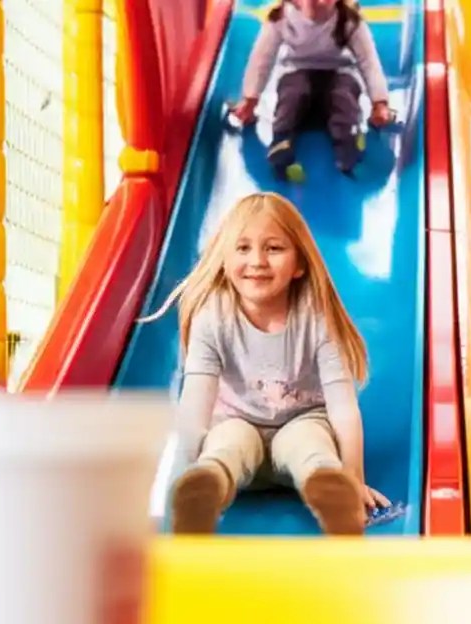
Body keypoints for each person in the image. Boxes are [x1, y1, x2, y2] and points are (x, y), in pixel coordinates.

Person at [145, 192, 389, 535]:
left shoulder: (316, 318)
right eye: (242, 248)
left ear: (299, 264)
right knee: (227, 443)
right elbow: (194, 412)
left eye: (274, 248)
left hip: (301, 421)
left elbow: (343, 408)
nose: (257, 260)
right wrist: (179, 478)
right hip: (236, 422)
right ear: (224, 260)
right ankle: (204, 488)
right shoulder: (213, 318)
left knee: (309, 442)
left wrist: (355, 478)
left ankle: (334, 493)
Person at [232, 0, 393, 179]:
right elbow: (262, 60)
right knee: (292, 94)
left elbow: (368, 61)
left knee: (343, 97)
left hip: (339, 72)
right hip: (297, 71)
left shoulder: (349, 20)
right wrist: (250, 100)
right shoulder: (281, 19)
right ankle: (281, 140)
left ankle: (348, 142)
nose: (312, 3)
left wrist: (379, 102)